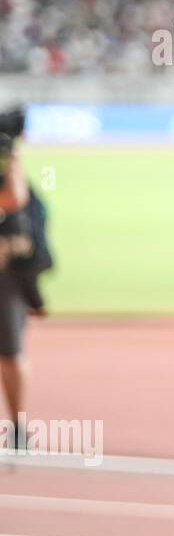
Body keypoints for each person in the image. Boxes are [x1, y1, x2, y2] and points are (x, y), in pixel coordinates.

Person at [0, 109, 51, 449]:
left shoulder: (9, 160)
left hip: (9, 273)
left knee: (10, 349)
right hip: (14, 271)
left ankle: (18, 430)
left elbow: (15, 198)